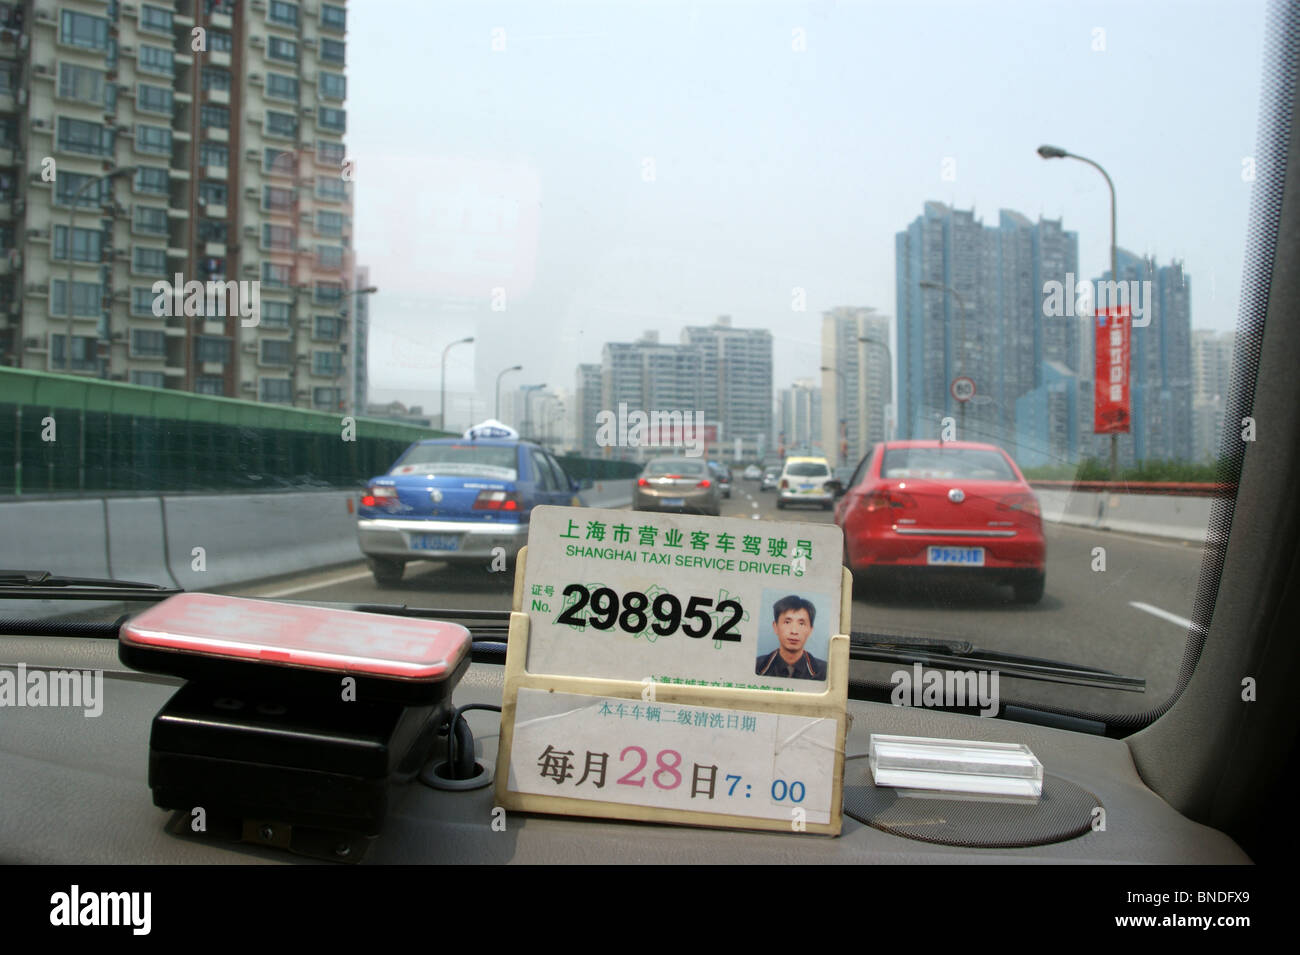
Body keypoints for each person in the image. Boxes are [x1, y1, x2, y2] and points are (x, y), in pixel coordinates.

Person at [755, 595, 827, 680]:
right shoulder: (757, 666)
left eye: (801, 624)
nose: (794, 631)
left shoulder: (825, 670)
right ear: (775, 627)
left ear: (810, 630)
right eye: (787, 622)